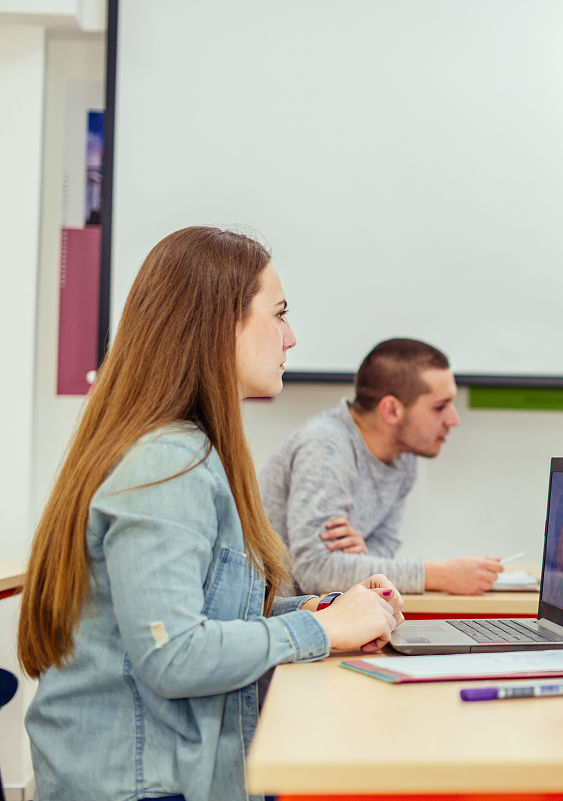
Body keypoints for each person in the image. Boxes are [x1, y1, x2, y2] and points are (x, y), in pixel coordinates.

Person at [18, 227, 403, 801]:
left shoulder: (190, 449)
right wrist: (323, 628)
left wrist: (331, 608)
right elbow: (173, 654)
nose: (291, 337)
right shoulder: (164, 462)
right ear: (223, 326)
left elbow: (213, 607)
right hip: (141, 786)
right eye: (279, 315)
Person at [259, 338, 501, 596]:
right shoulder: (326, 445)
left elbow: (384, 548)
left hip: (323, 614)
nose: (454, 420)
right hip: (275, 618)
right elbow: (317, 571)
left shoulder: (404, 457)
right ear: (392, 410)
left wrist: (361, 557)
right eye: (440, 407)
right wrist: (439, 575)